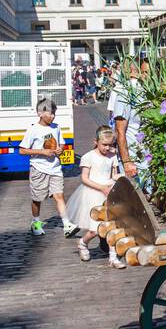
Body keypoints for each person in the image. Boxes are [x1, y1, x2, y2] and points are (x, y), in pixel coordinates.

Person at [68, 126, 127, 268]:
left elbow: (113, 174)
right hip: (93, 192)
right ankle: (83, 243)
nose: (107, 148)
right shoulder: (88, 157)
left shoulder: (112, 157)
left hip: (108, 193)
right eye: (104, 145)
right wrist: (101, 187)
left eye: (110, 145)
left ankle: (113, 258)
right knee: (95, 230)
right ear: (96, 141)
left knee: (111, 227)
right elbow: (84, 178)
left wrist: (121, 177)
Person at [21, 97, 76, 237]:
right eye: (50, 114)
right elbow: (22, 150)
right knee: (37, 199)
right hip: (38, 168)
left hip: (55, 168)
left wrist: (60, 149)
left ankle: (67, 224)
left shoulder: (56, 127)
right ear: (40, 113)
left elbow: (61, 144)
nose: (52, 116)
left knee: (59, 195)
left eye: (54, 114)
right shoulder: (33, 130)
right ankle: (35, 222)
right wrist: (42, 151)